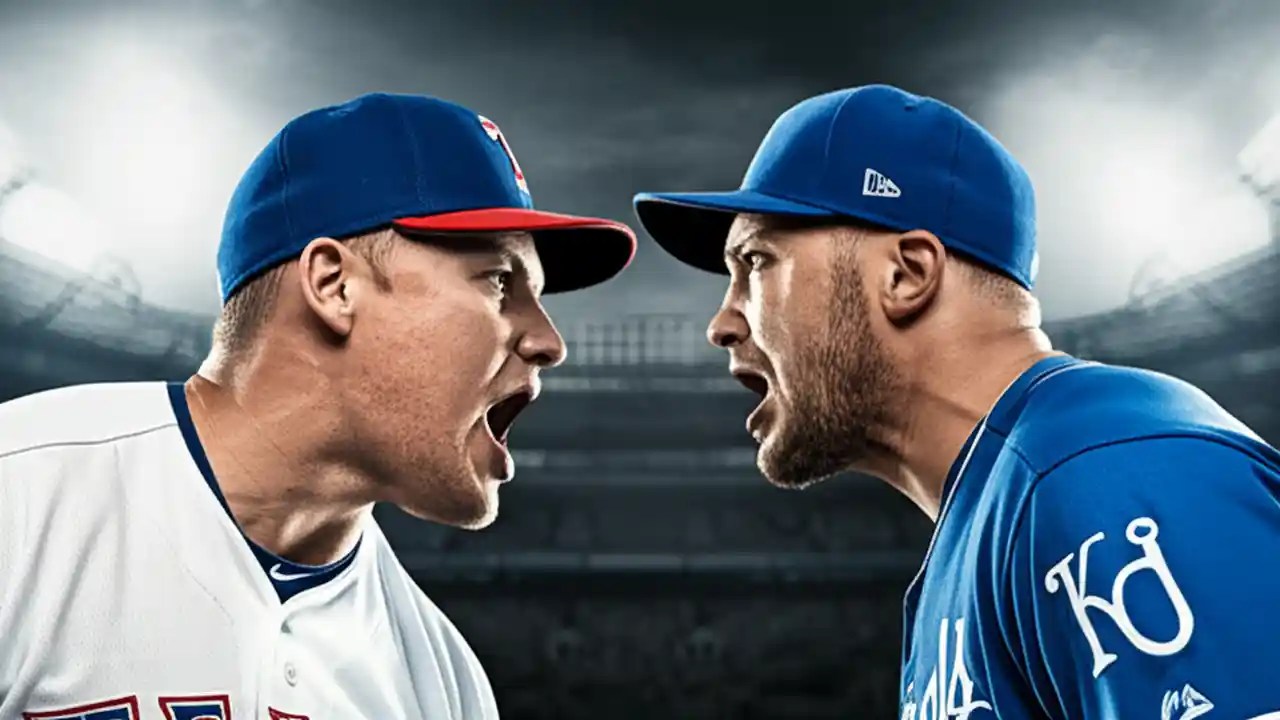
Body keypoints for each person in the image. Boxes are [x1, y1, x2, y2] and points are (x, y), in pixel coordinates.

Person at [633, 84, 1280, 719]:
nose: (722, 322)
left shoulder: (1106, 472)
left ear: (906, 274)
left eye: (755, 263)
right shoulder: (989, 527)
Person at [0, 92, 636, 719]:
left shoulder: (443, 681)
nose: (550, 341)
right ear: (334, 286)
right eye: (500, 281)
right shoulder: (22, 495)